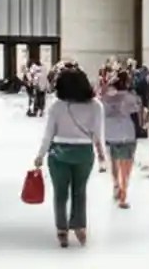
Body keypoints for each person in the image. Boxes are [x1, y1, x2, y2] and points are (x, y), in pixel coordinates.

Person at [33, 62, 105, 248]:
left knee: (60, 193)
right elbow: (97, 134)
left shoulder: (57, 106)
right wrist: (102, 156)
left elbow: (48, 134)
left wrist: (40, 155)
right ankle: (80, 227)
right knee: (80, 191)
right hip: (84, 153)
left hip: (58, 153)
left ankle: (61, 230)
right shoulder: (95, 106)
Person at [100, 70, 142, 208]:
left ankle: (116, 184)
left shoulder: (104, 98)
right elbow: (138, 111)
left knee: (114, 161)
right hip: (127, 134)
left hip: (110, 134)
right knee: (126, 164)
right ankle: (123, 193)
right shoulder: (130, 97)